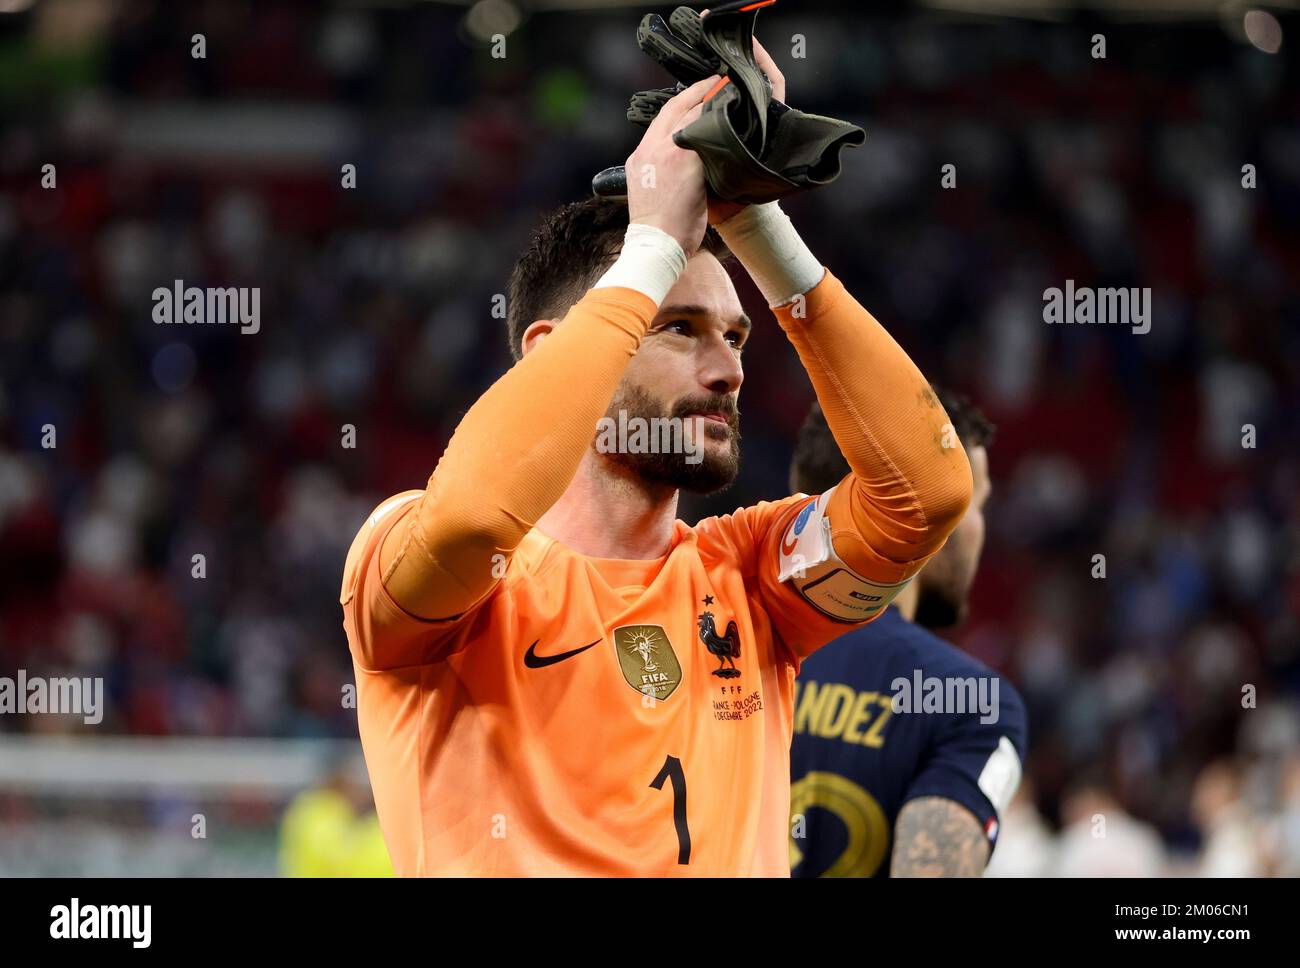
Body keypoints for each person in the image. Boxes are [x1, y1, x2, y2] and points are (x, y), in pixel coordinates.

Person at [340, 44, 972, 874]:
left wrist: (756, 225)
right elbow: (471, 518)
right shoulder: (448, 573)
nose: (731, 368)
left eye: (736, 335)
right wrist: (648, 251)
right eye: (681, 327)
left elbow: (925, 493)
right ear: (553, 352)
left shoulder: (748, 581)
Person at [788, 391, 1026, 877]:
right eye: (975, 505)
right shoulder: (970, 702)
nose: (980, 529)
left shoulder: (706, 653)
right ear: (930, 516)